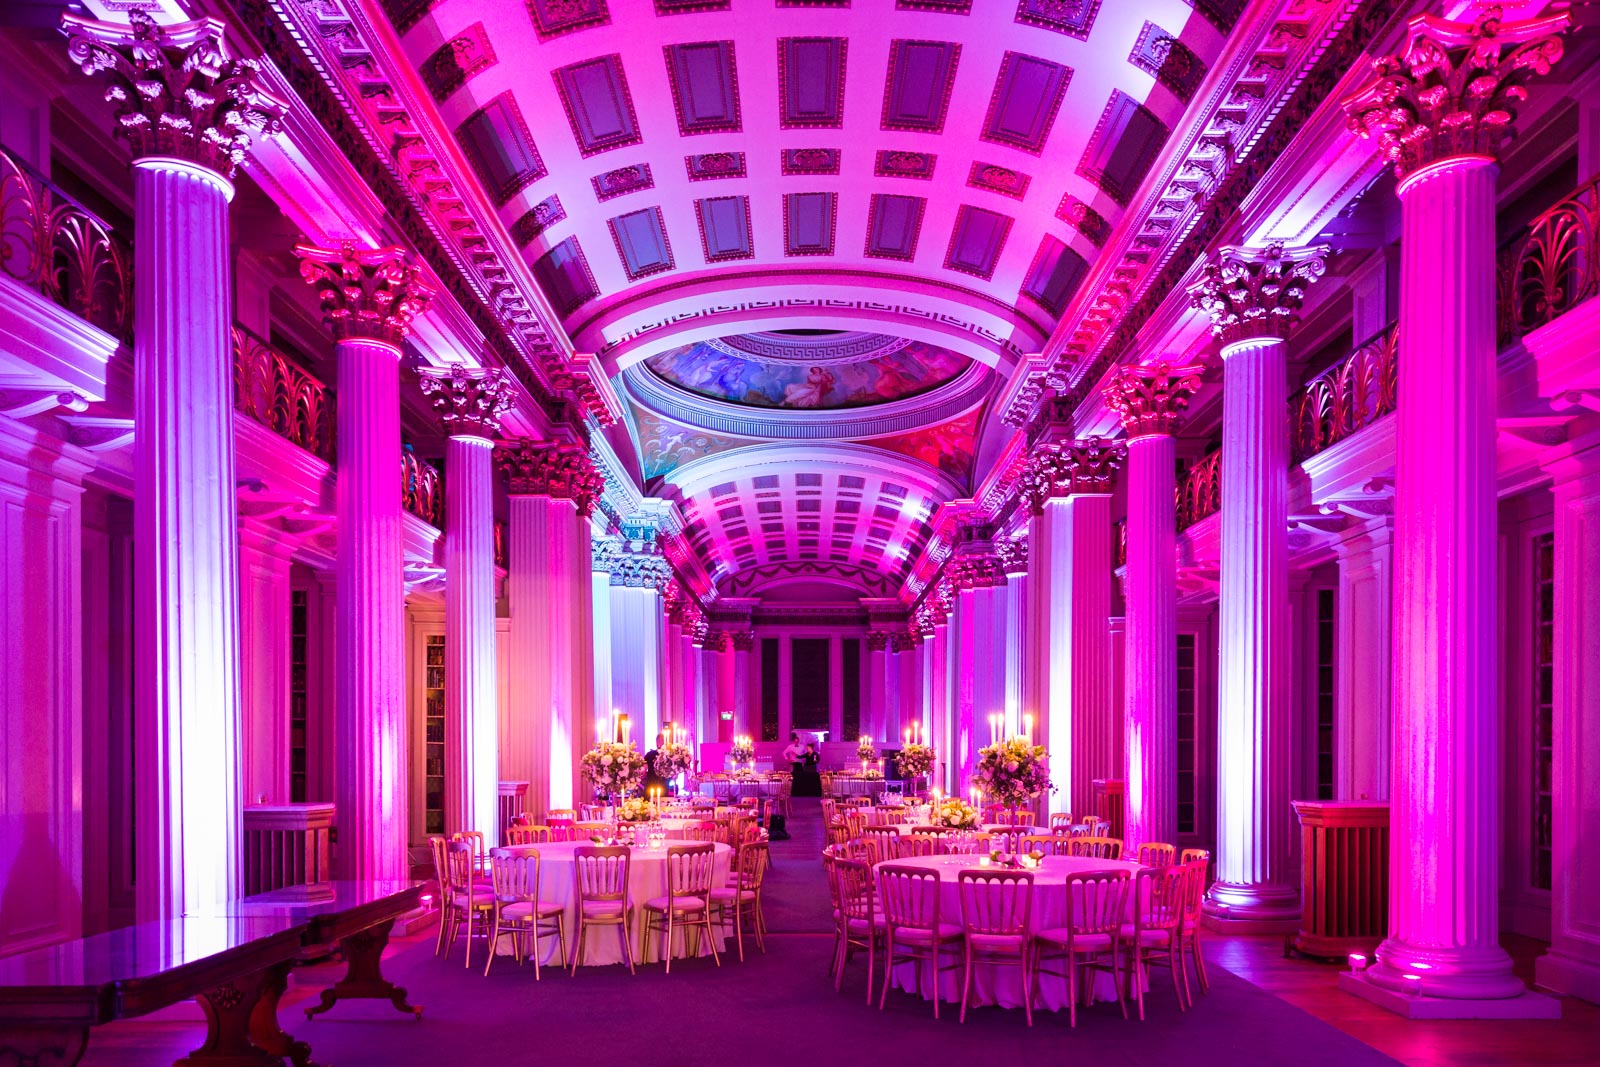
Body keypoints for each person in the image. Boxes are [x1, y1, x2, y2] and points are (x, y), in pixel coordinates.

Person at [642, 732, 668, 796]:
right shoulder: (650, 754)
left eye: (663, 740)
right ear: (657, 742)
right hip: (651, 784)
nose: (662, 742)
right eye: (660, 740)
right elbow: (643, 769)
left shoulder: (668, 756)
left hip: (663, 785)